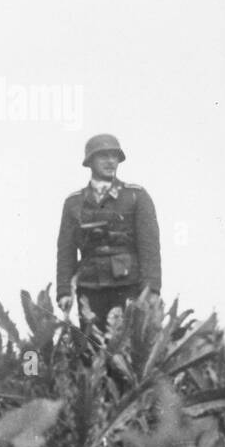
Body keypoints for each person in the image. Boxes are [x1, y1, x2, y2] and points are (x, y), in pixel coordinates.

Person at [56, 134, 161, 330]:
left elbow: (150, 248)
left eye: (115, 156)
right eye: (103, 156)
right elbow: (66, 250)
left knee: (127, 349)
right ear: (90, 161)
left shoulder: (136, 196)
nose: (111, 161)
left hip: (128, 286)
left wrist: (152, 288)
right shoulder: (74, 202)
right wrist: (64, 291)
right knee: (92, 349)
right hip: (89, 287)